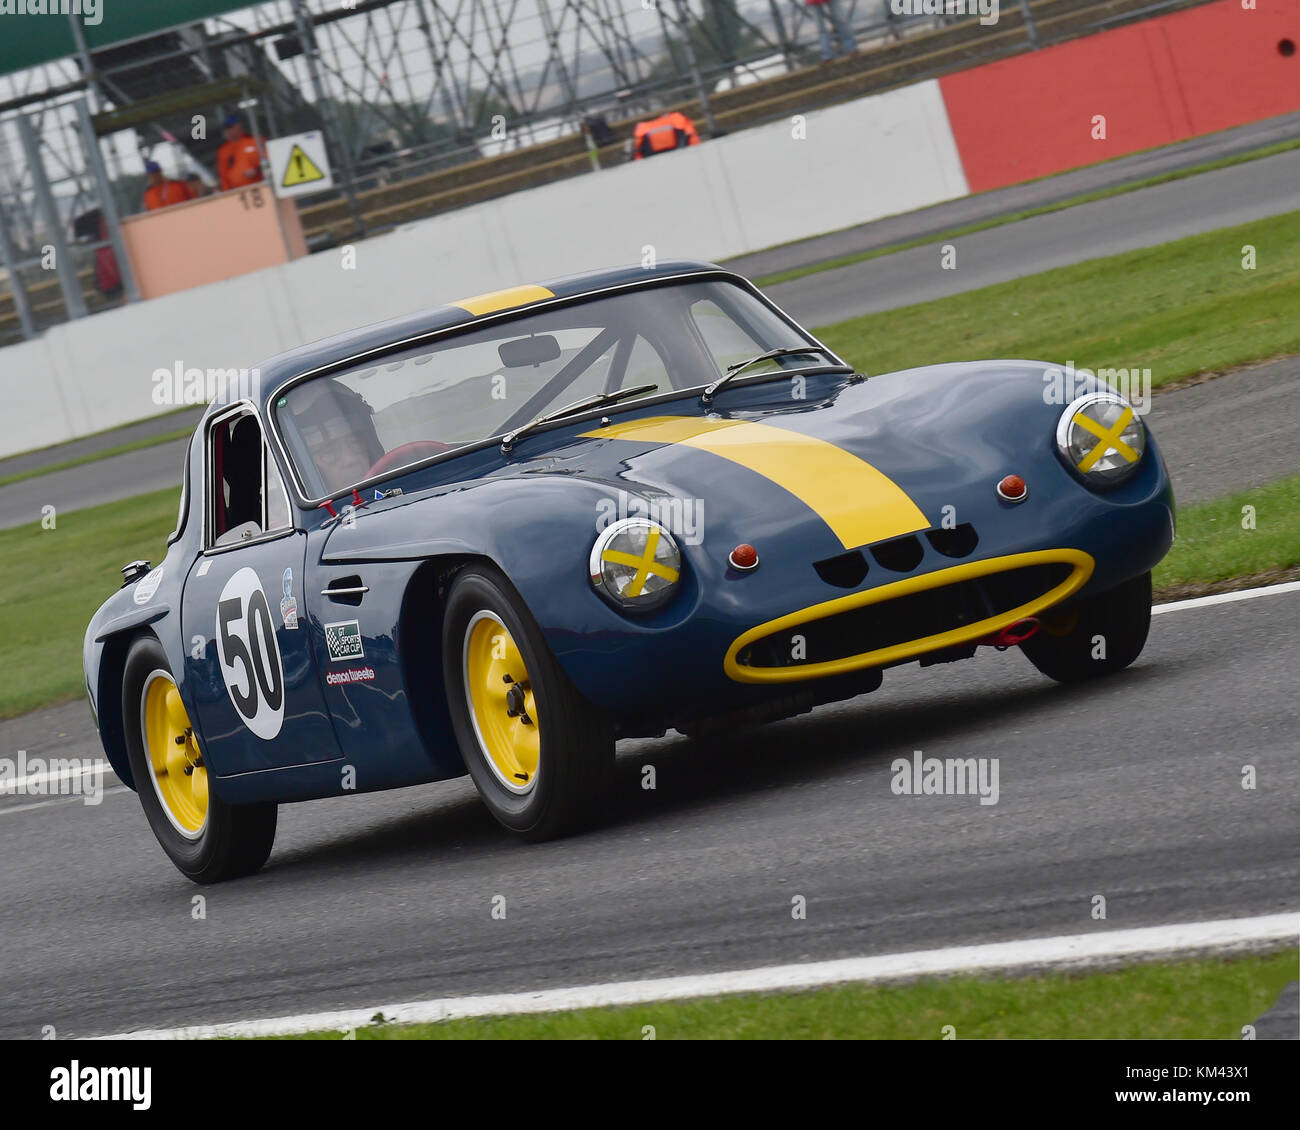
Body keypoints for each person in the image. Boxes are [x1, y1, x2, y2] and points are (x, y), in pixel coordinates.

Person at [216, 113, 266, 192]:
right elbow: (223, 176)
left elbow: (269, 161)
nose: (228, 131)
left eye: (230, 127)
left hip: (261, 186)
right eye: (226, 129)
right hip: (238, 192)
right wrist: (227, 194)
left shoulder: (255, 140)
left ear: (239, 126)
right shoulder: (223, 150)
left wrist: (257, 170)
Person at [632, 110, 701, 160]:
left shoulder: (641, 128)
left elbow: (638, 153)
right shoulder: (677, 118)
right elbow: (692, 137)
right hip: (682, 155)